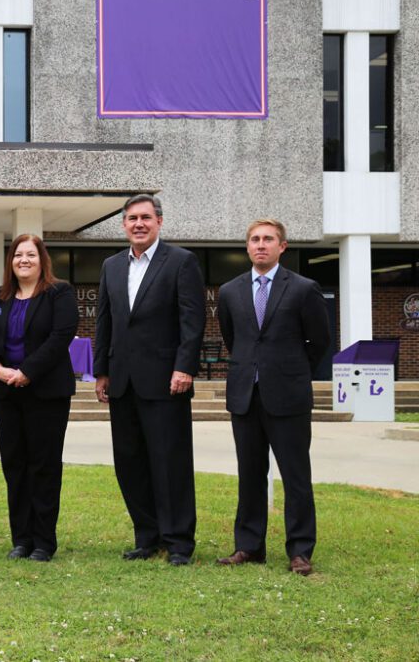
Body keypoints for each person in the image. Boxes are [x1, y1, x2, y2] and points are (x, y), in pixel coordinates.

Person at [94, 194, 205, 566]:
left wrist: (185, 366)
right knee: (130, 462)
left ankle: (178, 542)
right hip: (122, 381)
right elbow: (104, 322)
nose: (138, 224)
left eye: (145, 217)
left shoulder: (181, 262)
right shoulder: (111, 266)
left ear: (159, 221)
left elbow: (192, 320)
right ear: (123, 224)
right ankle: (147, 536)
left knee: (169, 462)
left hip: (166, 380)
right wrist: (101, 371)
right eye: (131, 218)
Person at [217, 219, 331, 576]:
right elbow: (233, 338)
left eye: (268, 239)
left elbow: (320, 341)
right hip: (245, 396)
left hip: (288, 396)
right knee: (249, 474)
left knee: (295, 475)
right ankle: (249, 547)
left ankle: (300, 550)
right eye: (254, 239)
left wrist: (289, 370)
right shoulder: (230, 291)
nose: (260, 245)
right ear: (247, 247)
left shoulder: (302, 288)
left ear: (282, 246)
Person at [0, 234, 79, 562]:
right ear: (11, 261)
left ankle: (43, 542)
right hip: (7, 393)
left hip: (46, 392)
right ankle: (21, 539)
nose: (23, 260)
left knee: (44, 466)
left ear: (42, 259)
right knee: (15, 465)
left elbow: (61, 336)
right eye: (18, 255)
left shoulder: (59, 293)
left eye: (30, 255)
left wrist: (28, 371)